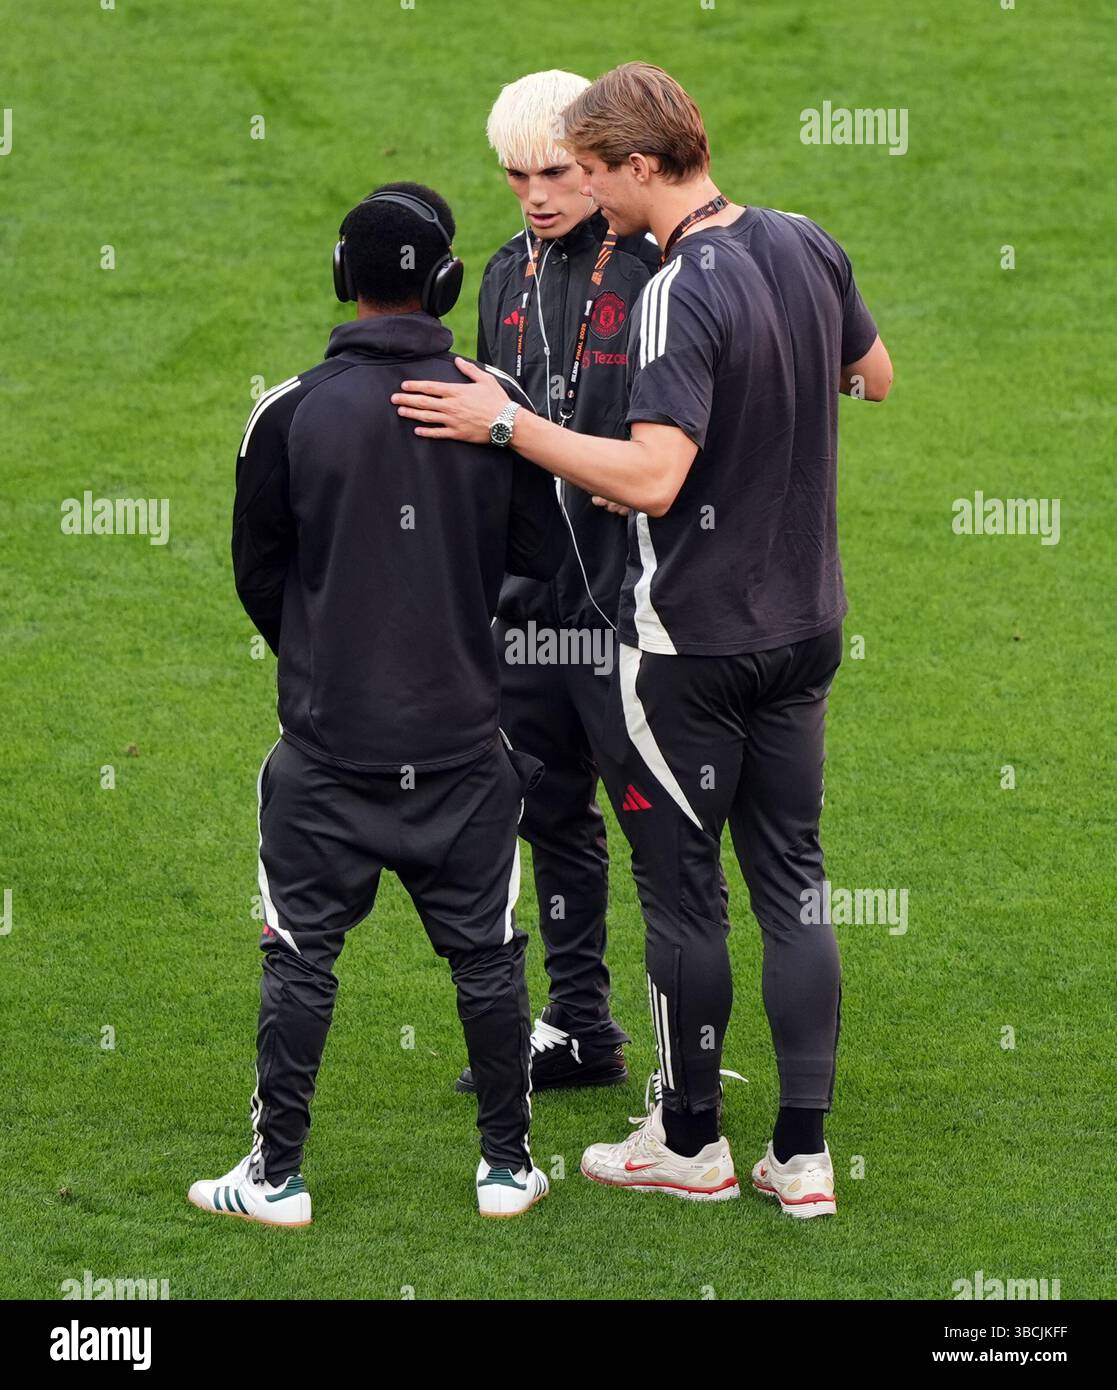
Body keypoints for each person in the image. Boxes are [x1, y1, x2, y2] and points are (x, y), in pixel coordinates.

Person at [391, 65, 893, 1215]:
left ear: (633, 164)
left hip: (687, 640)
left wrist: (514, 425)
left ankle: (689, 1139)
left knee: (681, 897)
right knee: (794, 888)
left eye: (578, 170)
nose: (558, 197)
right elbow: (872, 376)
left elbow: (656, 478)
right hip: (807, 621)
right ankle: (803, 1159)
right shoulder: (807, 240)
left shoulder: (673, 284)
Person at [189, 182, 567, 1225]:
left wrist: (328, 651)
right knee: (487, 955)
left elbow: (258, 574)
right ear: (447, 284)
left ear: (340, 280)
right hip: (460, 746)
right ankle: (504, 1169)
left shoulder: (290, 410)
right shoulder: (493, 408)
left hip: (326, 748)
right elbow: (538, 558)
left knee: (301, 953)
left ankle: (275, 1178)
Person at [453, 70, 661, 1098]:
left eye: (553, 172)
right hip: (532, 607)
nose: (534, 194)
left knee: (658, 831)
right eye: (514, 175)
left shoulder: (654, 268)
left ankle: (691, 1073)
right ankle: (582, 1027)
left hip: (633, 604)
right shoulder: (501, 274)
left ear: (595, 162)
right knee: (548, 815)